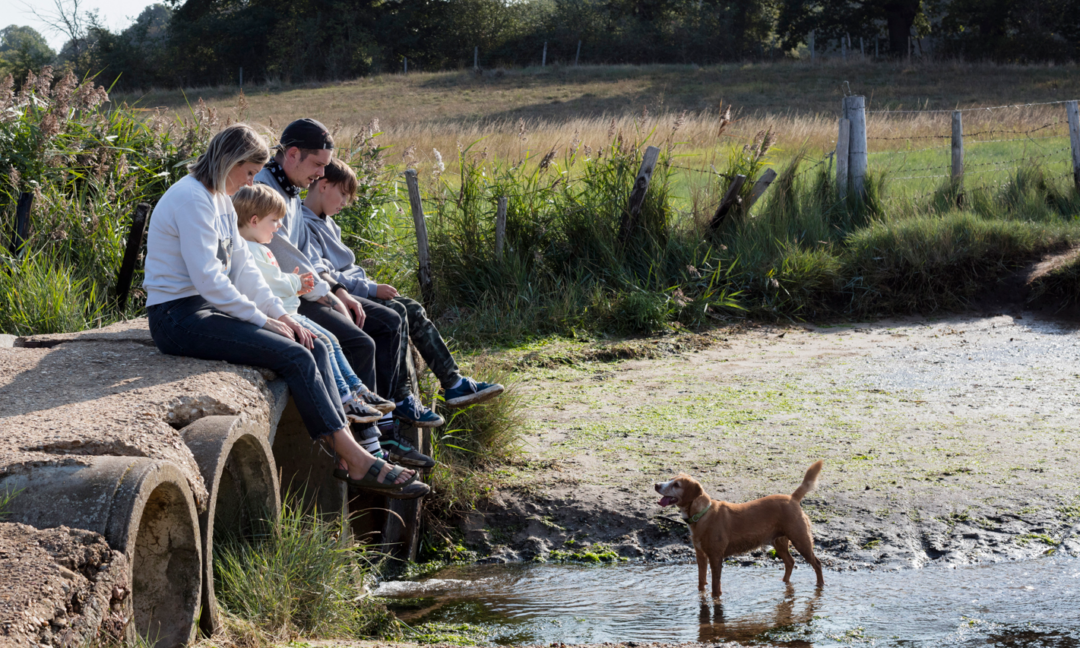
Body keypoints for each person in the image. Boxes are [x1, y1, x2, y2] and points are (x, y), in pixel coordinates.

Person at [142, 123, 428, 498]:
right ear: (231, 161)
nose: (249, 182)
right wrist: (263, 320)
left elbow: (242, 268)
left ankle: (353, 454)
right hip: (176, 318)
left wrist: (283, 314)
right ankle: (354, 459)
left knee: (309, 342)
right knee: (293, 355)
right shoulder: (191, 199)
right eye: (247, 172)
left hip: (205, 309)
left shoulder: (221, 200)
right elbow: (211, 279)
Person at [302, 159, 504, 436]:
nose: (345, 203)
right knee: (396, 316)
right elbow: (324, 275)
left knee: (412, 308)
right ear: (323, 185)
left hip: (356, 291)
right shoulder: (304, 224)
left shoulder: (328, 224)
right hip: (339, 298)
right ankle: (404, 397)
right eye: (344, 194)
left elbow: (345, 270)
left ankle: (452, 381)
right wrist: (371, 290)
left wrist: (371, 285)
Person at [232, 184, 393, 430]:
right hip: (280, 317)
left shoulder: (258, 248)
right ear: (254, 220)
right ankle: (348, 398)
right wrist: (296, 281)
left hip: (285, 311)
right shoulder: (251, 251)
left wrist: (293, 287)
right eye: (274, 221)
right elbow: (271, 283)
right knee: (326, 342)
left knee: (331, 340)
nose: (279, 227)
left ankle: (356, 388)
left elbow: (269, 286)